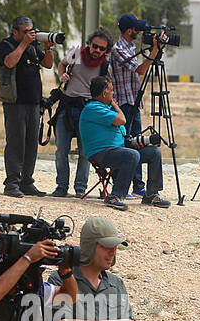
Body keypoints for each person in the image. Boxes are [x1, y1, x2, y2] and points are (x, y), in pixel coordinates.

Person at [79, 76, 166, 210]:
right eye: (112, 90)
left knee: (154, 152)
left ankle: (151, 194)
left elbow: (121, 133)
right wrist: (115, 105)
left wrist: (136, 143)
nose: (113, 94)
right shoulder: (93, 108)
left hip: (117, 150)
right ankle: (115, 196)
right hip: (100, 153)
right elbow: (122, 119)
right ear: (104, 93)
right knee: (131, 155)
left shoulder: (105, 110)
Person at [0, 16, 56, 198]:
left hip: (34, 103)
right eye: (25, 32)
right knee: (16, 143)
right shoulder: (6, 45)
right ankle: (12, 184)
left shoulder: (32, 47)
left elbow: (48, 64)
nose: (30, 35)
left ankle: (27, 182)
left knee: (31, 144)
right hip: (15, 102)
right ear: (15, 31)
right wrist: (23, 44)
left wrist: (48, 48)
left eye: (32, 31)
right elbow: (9, 62)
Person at [51, 27, 113, 198]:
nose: (97, 50)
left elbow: (108, 88)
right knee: (61, 150)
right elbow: (62, 64)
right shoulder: (76, 53)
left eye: (102, 48)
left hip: (89, 111)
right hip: (67, 106)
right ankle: (61, 186)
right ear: (89, 44)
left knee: (85, 152)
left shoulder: (105, 66)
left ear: (106, 51)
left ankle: (80, 188)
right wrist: (62, 76)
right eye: (95, 46)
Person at [109, 14, 161, 197]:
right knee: (122, 144)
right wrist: (155, 50)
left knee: (137, 143)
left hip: (133, 102)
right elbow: (140, 70)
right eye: (137, 28)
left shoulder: (131, 46)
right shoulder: (118, 49)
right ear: (129, 30)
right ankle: (119, 185)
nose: (140, 31)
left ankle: (138, 186)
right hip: (123, 103)